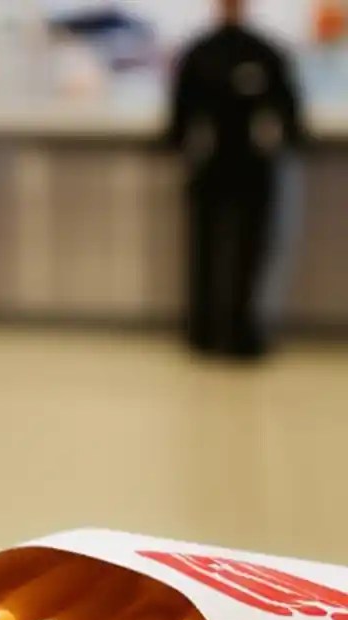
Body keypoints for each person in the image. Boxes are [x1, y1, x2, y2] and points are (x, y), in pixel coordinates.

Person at [167, 0, 306, 360]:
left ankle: (241, 328)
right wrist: (180, 145)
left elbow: (289, 112)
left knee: (250, 250)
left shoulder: (264, 53)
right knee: (204, 249)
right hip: (210, 164)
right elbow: (180, 116)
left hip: (252, 165)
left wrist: (288, 141)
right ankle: (203, 330)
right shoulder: (200, 53)